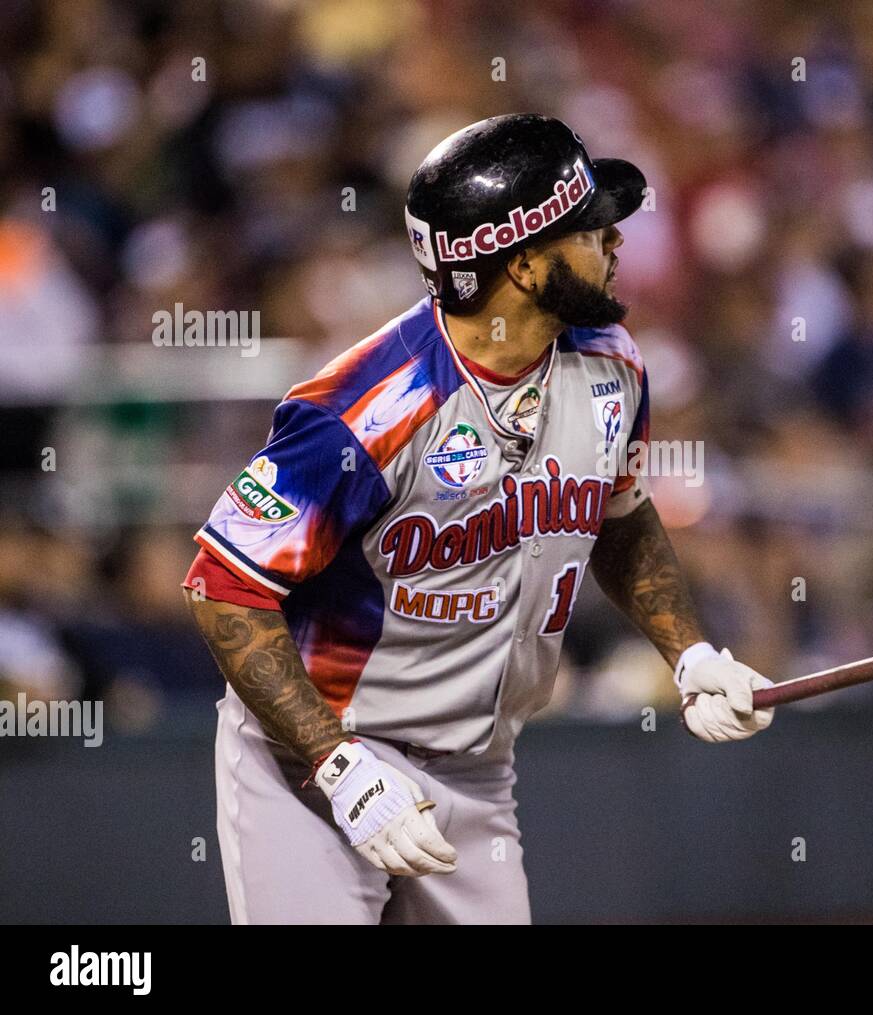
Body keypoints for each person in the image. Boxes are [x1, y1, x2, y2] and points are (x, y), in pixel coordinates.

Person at [183, 113, 775, 924]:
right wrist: (337, 764)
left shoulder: (613, 362)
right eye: (589, 230)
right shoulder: (364, 408)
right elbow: (222, 585)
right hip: (311, 767)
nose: (615, 242)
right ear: (525, 265)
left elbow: (621, 516)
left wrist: (691, 652)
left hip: (477, 769)